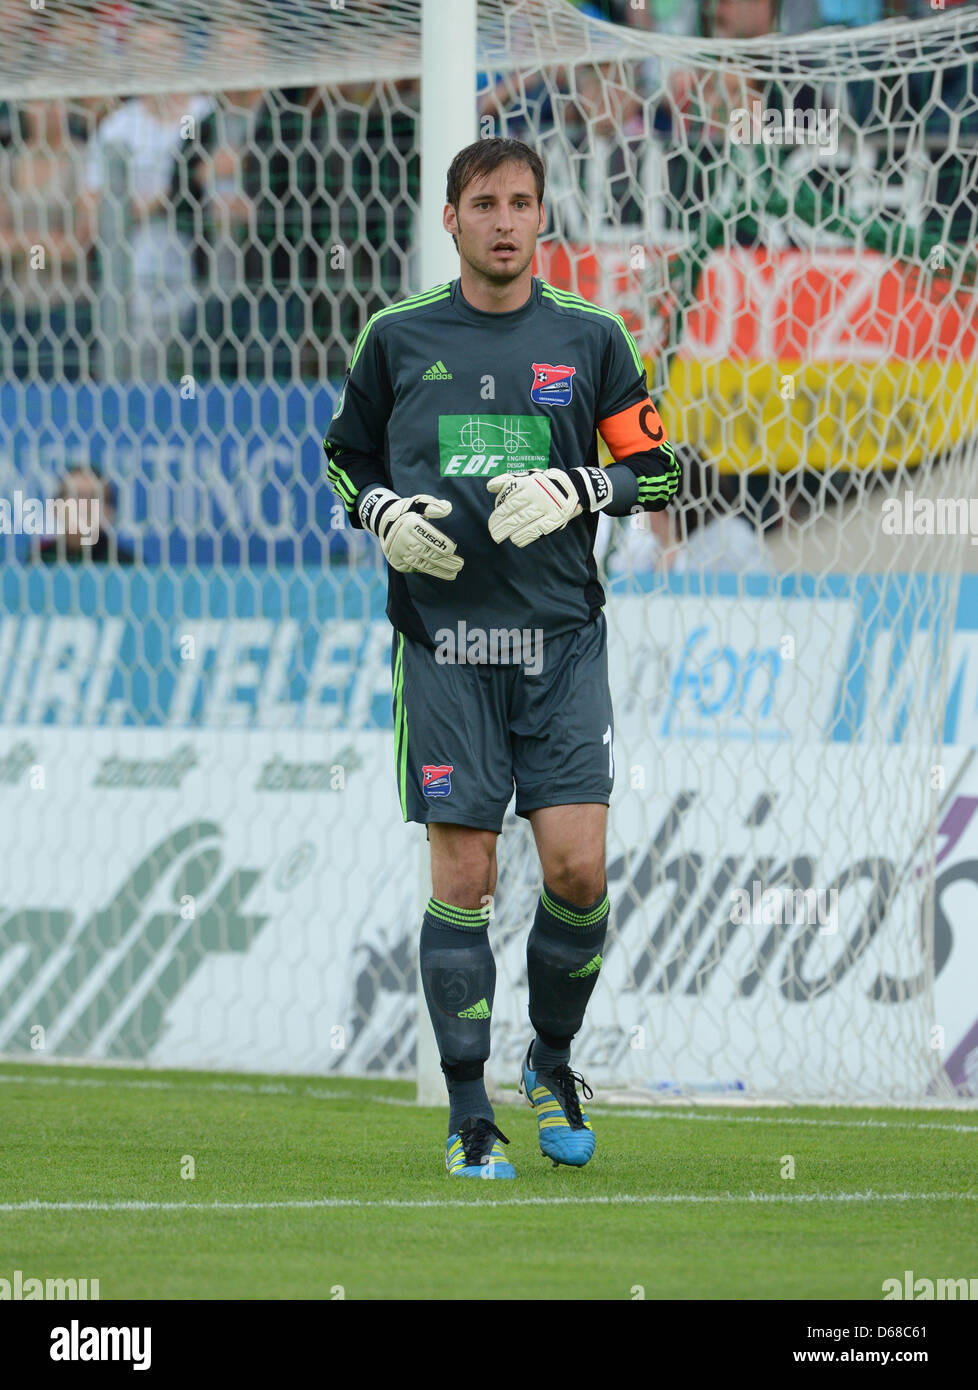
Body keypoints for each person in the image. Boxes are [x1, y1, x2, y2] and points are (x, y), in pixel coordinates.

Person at [324, 137, 680, 1179]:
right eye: (486, 203)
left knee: (577, 870)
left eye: (523, 202)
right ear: (452, 218)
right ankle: (468, 1112)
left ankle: (554, 1061)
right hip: (446, 644)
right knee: (465, 872)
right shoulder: (396, 338)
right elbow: (345, 458)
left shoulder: (591, 337)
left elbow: (657, 471)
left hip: (560, 643)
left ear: (541, 219)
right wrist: (380, 507)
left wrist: (588, 488)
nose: (507, 220)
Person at [31, 463, 134, 564]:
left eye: (94, 497)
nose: (85, 505)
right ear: (56, 507)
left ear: (109, 510)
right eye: (76, 496)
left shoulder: (126, 565)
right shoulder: (40, 560)